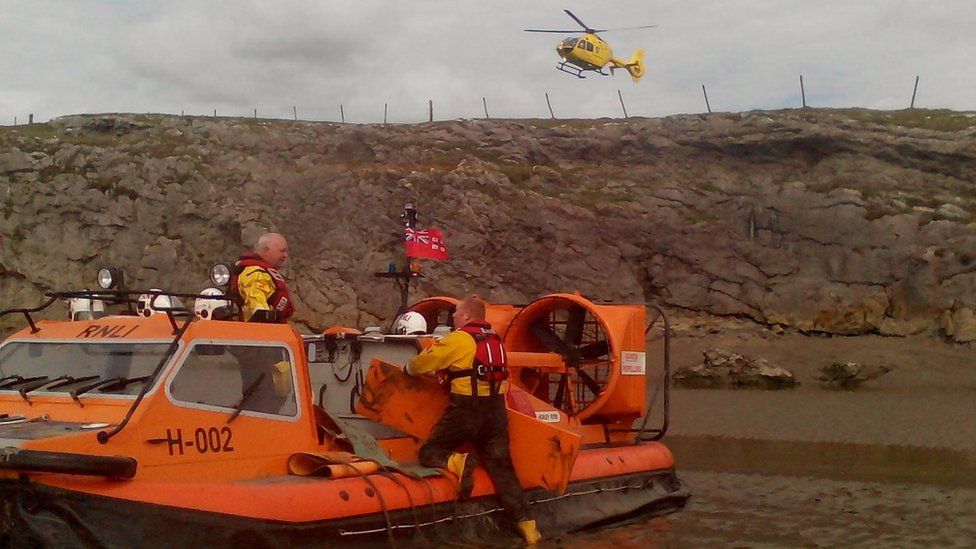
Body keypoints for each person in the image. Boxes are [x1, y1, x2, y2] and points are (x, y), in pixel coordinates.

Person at [403, 295, 542, 545]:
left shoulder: (459, 339)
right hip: (496, 414)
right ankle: (529, 527)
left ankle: (458, 461)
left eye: (456, 312)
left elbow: (422, 364)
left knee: (430, 451)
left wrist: (407, 369)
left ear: (467, 315)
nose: (453, 316)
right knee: (503, 470)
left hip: (467, 410)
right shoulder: (496, 340)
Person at [228, 232, 295, 414]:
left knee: (278, 391)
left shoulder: (263, 272)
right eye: (282, 251)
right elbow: (257, 310)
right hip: (260, 346)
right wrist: (267, 331)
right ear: (266, 250)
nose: (285, 255)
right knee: (266, 393)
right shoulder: (255, 274)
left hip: (269, 345)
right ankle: (259, 426)